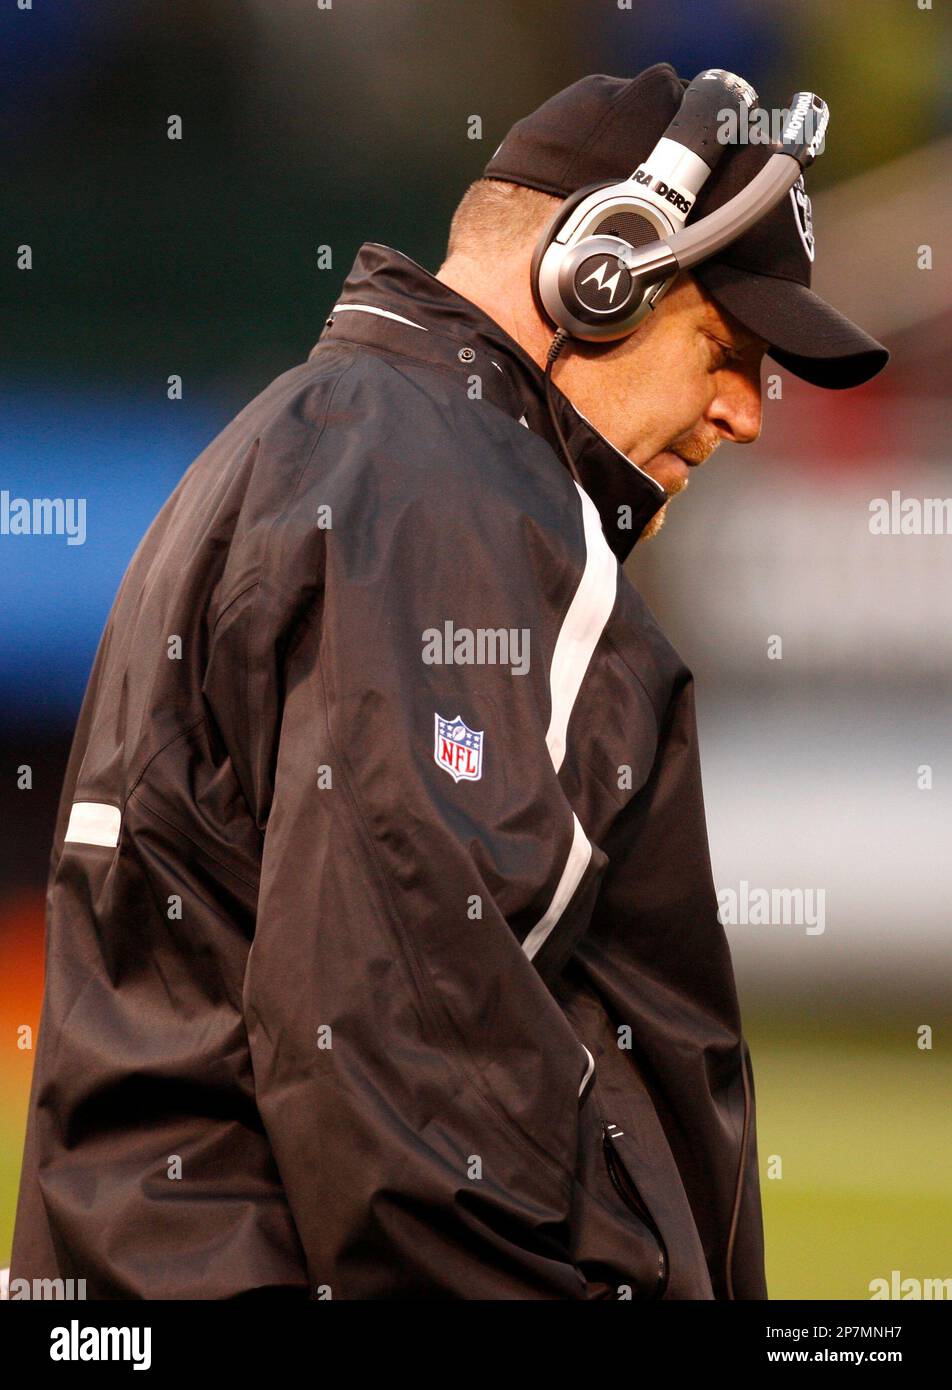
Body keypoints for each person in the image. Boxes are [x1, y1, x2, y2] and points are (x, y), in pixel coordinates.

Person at [8, 62, 887, 1300]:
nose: (747, 411)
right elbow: (408, 1055)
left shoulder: (308, 442)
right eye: (726, 347)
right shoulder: (456, 502)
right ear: (599, 272)